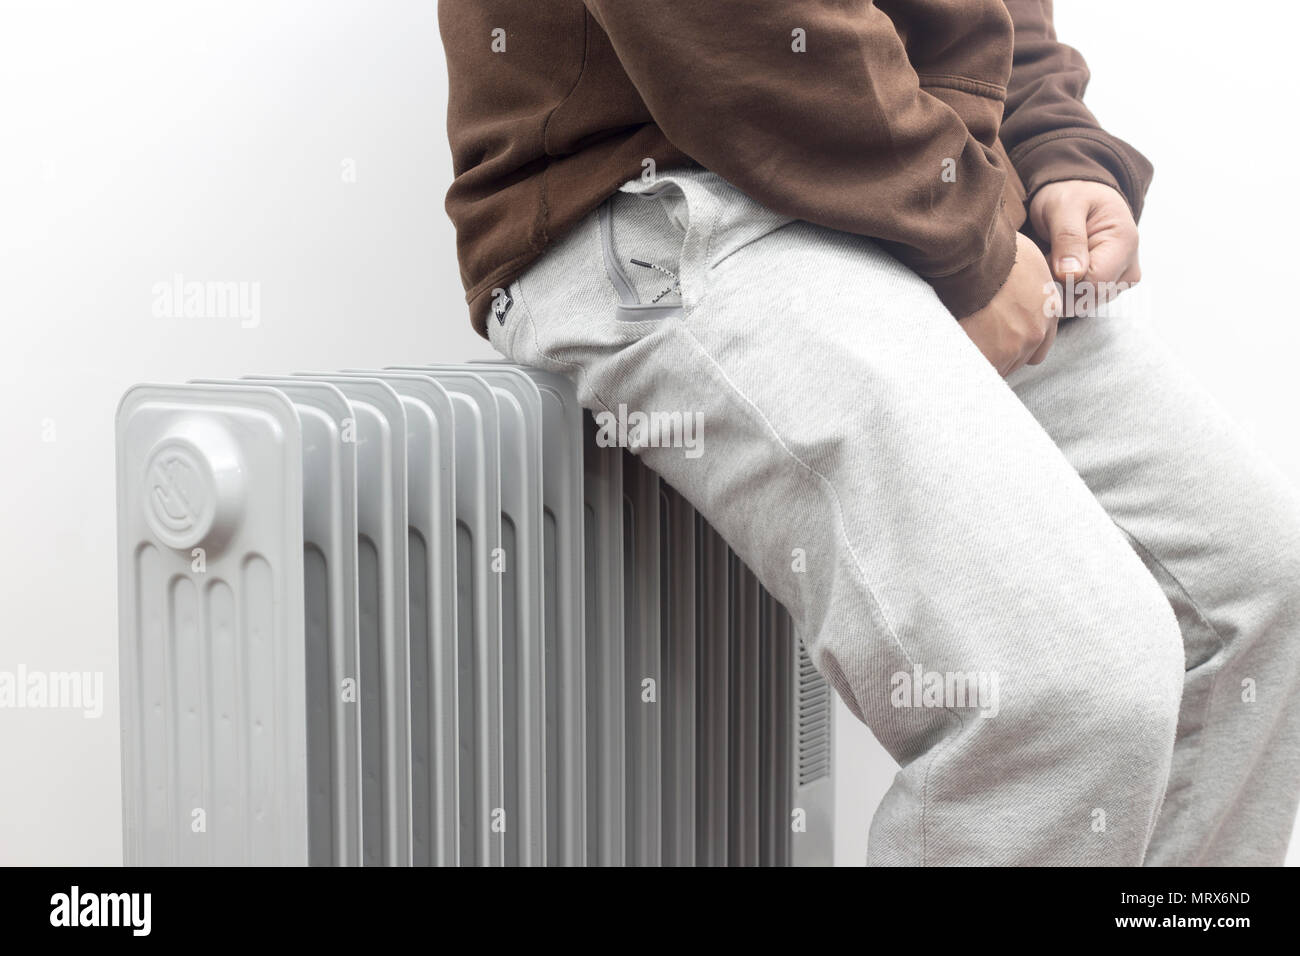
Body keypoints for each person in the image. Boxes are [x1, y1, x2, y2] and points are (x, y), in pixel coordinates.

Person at [438, 0, 1300, 865]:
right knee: (1063, 688)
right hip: (672, 193)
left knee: (1254, 590)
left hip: (935, 185)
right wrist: (965, 237)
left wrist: (1053, 146)